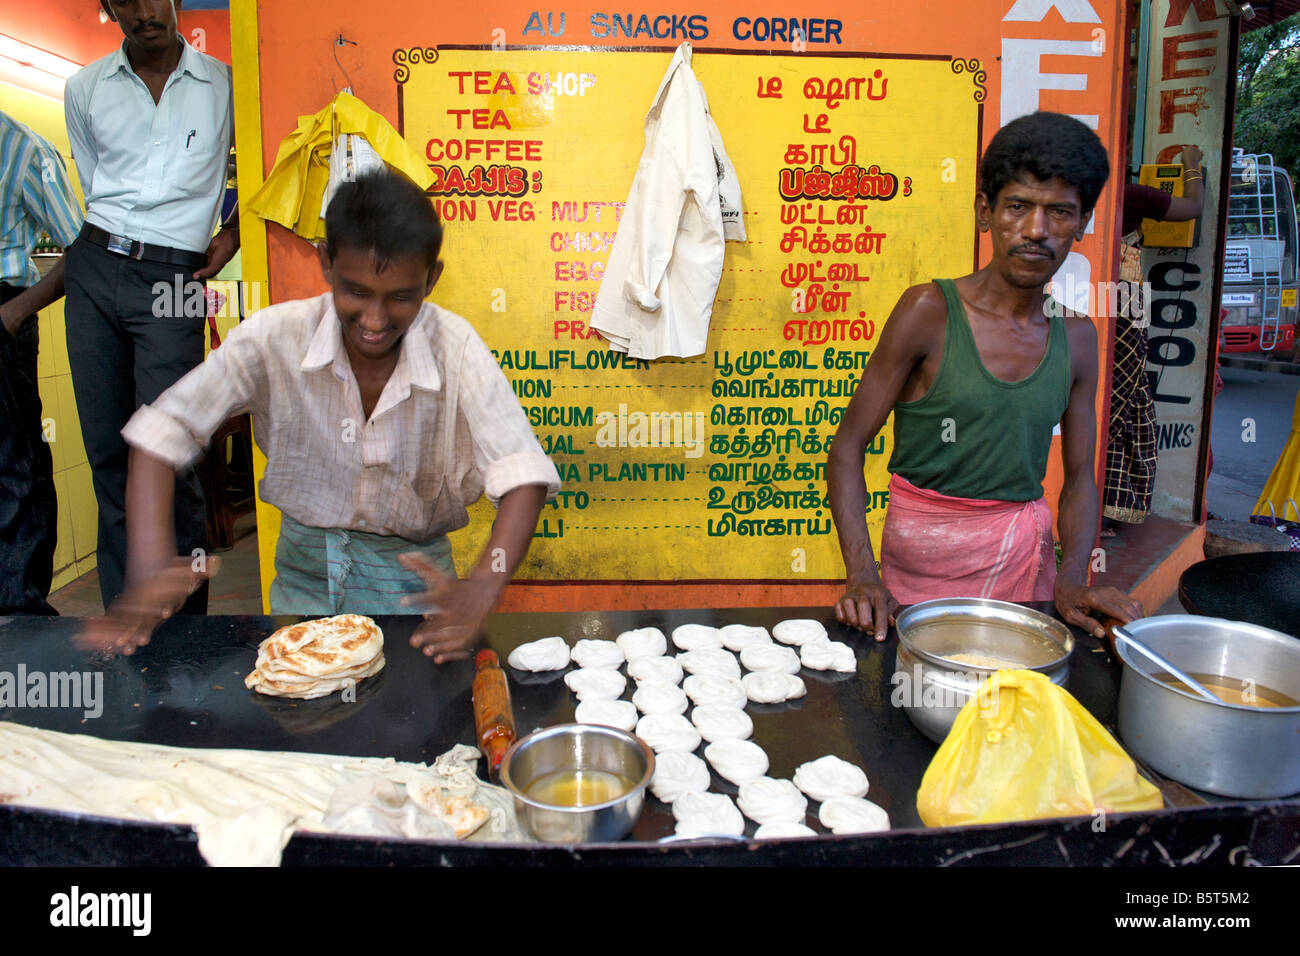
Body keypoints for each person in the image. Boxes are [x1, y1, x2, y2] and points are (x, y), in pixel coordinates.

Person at [80, 169, 560, 664]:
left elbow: (523, 474)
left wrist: (482, 586)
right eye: (357, 292)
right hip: (301, 584)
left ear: (430, 278)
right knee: (305, 707)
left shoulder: (455, 346)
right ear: (326, 262)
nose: (375, 320)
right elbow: (161, 433)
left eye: (400, 296)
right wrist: (150, 560)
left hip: (415, 596)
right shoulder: (274, 337)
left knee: (414, 720)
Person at [828, 111, 1143, 642]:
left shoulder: (1079, 339)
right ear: (985, 211)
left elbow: (1080, 482)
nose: (1036, 230)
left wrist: (1070, 580)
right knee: (916, 700)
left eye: (1060, 212)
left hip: (1023, 568)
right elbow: (846, 450)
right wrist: (862, 575)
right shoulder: (928, 311)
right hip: (917, 567)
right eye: (1018, 206)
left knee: (1016, 703)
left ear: (1083, 221)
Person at [62, 0, 239, 613]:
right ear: (108, 8)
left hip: (173, 274)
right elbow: (97, 186)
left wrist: (234, 232)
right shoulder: (83, 89)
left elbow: (263, 168)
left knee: (170, 451)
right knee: (109, 455)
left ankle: (186, 634)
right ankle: (128, 621)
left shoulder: (225, 86)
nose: (142, 11)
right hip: (93, 265)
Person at [0, 111, 84, 614]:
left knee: (14, 472)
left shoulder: (27, 152)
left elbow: (83, 251)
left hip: (2, 314)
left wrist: (13, 314)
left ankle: (18, 619)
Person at [1101, 147, 1205, 535]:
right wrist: (1191, 166)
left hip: (1083, 294)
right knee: (1125, 395)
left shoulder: (1076, 195)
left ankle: (1100, 505)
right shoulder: (1133, 195)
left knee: (1103, 395)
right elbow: (1192, 208)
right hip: (1126, 300)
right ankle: (1112, 505)